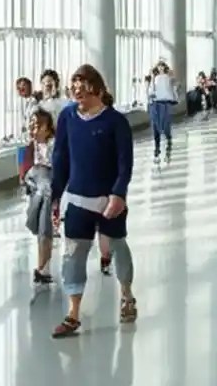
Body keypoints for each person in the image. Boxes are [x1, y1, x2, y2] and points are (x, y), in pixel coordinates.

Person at [50, 65, 137, 337]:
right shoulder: (67, 117)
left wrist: (119, 194)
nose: (78, 94)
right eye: (74, 88)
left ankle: (126, 294)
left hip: (109, 200)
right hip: (77, 199)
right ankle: (73, 312)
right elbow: (60, 157)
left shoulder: (115, 122)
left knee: (117, 246)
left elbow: (125, 164)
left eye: (84, 89)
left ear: (97, 90)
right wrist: (56, 196)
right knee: (73, 255)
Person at [24, 108, 58, 285]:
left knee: (45, 228)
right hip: (36, 187)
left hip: (47, 189)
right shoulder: (31, 146)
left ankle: (43, 266)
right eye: (31, 125)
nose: (33, 130)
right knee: (41, 227)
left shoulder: (54, 146)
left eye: (37, 126)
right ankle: (42, 265)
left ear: (48, 128)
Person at [147, 61, 177, 158]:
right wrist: (151, 77)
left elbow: (173, 86)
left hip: (166, 102)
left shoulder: (168, 77)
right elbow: (151, 90)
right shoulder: (155, 78)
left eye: (162, 66)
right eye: (159, 66)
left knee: (165, 122)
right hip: (157, 102)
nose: (161, 68)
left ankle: (168, 138)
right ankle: (157, 145)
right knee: (156, 123)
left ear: (164, 67)